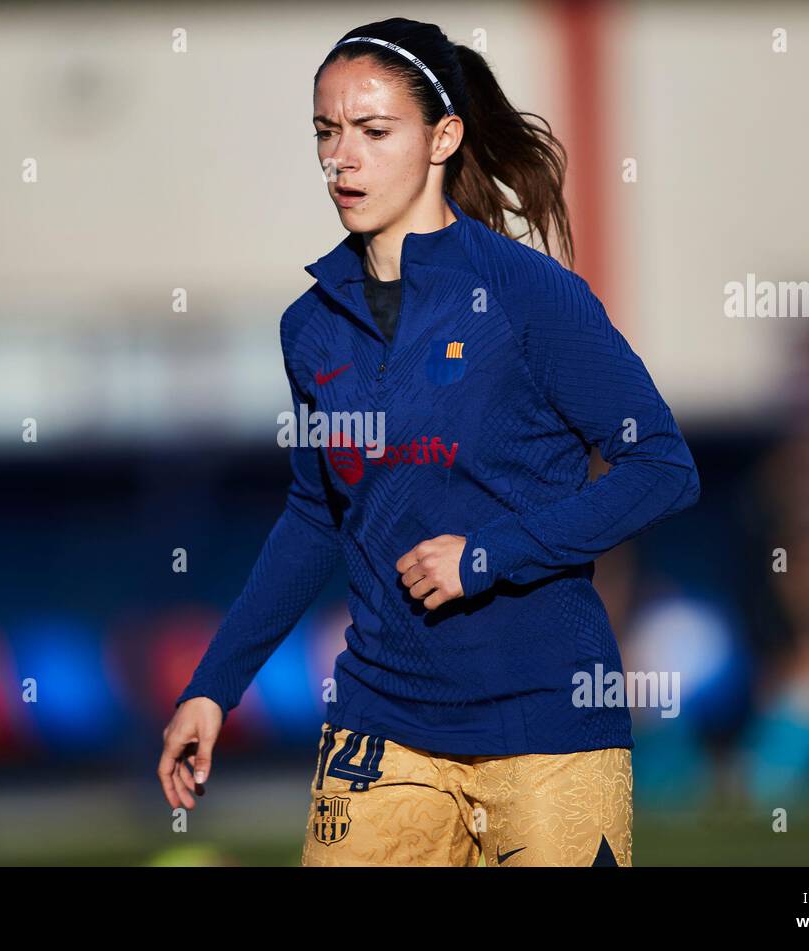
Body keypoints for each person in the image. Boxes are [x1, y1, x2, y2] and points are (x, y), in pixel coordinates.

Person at [158, 16, 700, 866]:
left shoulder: (528, 295)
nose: (343, 158)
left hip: (548, 725)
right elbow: (315, 516)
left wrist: (487, 554)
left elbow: (662, 469)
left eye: (374, 132)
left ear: (444, 136)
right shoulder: (311, 326)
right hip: (382, 726)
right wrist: (213, 687)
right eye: (326, 133)